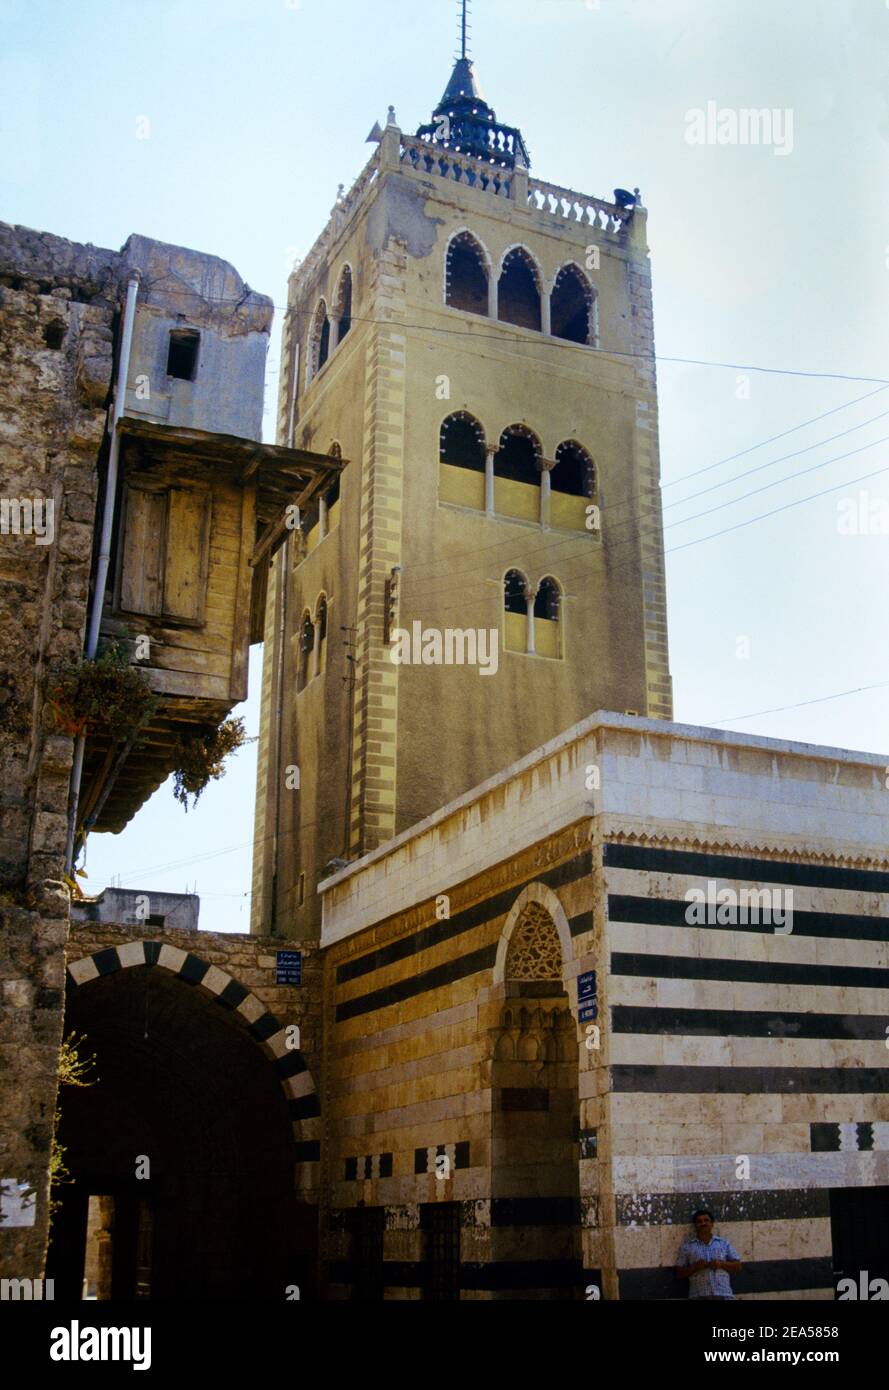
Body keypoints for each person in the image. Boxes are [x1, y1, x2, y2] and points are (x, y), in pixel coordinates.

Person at [675, 1209, 742, 1300]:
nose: (703, 1223)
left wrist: (721, 1264)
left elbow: (738, 1266)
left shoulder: (724, 1243)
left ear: (712, 1224)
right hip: (698, 1296)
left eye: (706, 1220)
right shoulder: (687, 1246)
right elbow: (679, 1273)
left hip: (724, 1295)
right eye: (699, 1221)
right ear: (695, 1225)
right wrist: (695, 1267)